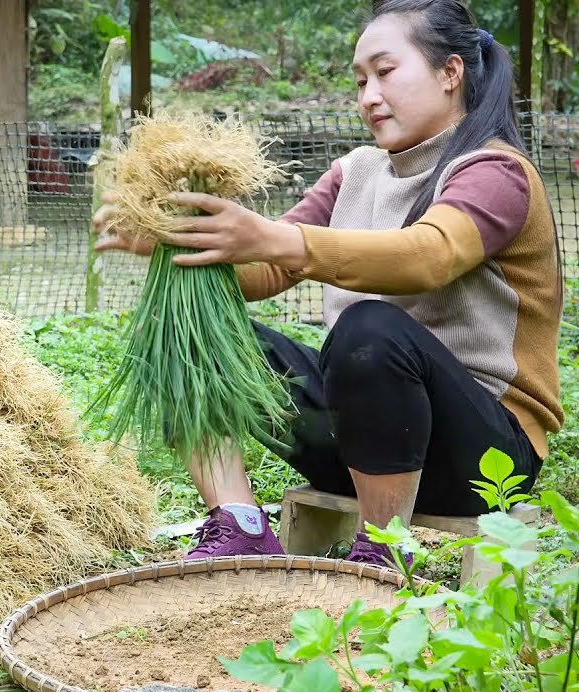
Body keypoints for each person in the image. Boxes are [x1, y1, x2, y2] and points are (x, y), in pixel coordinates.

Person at [93, 0, 562, 568]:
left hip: (483, 460)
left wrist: (271, 238)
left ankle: (381, 550)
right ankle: (239, 522)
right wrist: (180, 243)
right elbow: (269, 268)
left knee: (369, 331)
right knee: (185, 332)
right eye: (360, 80)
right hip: (363, 437)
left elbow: (429, 256)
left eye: (385, 73)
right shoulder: (356, 171)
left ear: (450, 72)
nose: (368, 95)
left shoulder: (494, 171)